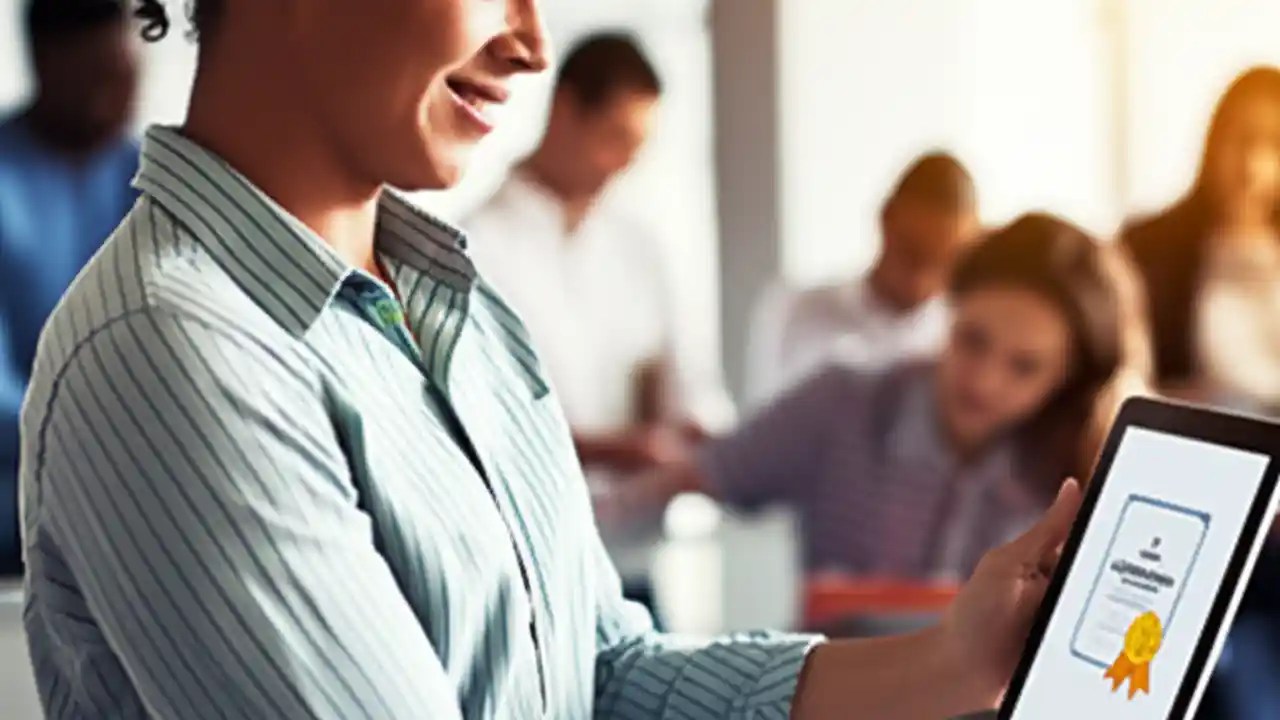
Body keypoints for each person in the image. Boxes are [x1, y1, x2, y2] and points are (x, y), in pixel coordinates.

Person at [20, 1, 1082, 718]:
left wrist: (947, 663)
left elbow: (598, 671)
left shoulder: (465, 316)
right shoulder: (173, 354)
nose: (531, 43)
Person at [631, 214, 1140, 584]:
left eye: (1024, 366)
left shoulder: (1095, 467)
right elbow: (695, 474)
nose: (984, 382)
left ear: (1072, 381)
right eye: (972, 340)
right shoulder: (841, 401)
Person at [466, 33, 730, 617]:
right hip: (530, 572)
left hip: (636, 567)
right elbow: (485, 424)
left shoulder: (641, 248)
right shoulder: (476, 249)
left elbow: (687, 385)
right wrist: (618, 450)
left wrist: (701, 436)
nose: (623, 164)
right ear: (564, 111)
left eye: (637, 146)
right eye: (614, 139)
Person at [1122, 66, 1280, 720]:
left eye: (1271, 144)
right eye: (1238, 141)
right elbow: (1123, 380)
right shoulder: (1150, 248)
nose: (1250, 164)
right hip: (1194, 473)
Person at [0, 0, 140, 577]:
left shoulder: (151, 179)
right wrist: (92, 441)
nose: (123, 97)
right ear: (44, 62)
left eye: (131, 77)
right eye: (102, 79)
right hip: (18, 472)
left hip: (137, 460)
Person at [745, 152, 978, 406]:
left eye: (942, 262)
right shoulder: (796, 311)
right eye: (911, 253)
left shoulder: (963, 341)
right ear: (886, 219)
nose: (921, 278)